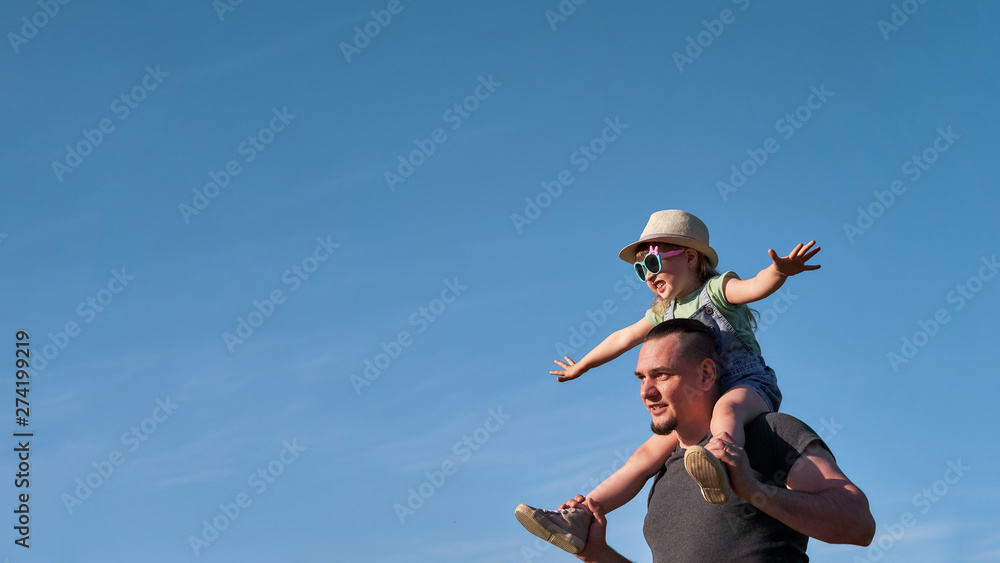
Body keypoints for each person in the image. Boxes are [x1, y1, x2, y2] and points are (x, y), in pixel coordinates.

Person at [515, 210, 821, 553]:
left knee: (728, 411)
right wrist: (582, 365)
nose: (648, 275)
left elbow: (753, 287)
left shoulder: (716, 291)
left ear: (690, 258)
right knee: (645, 454)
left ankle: (720, 463)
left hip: (745, 383)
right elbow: (623, 337)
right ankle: (583, 515)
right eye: (641, 269)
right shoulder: (664, 311)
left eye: (654, 263)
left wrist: (779, 271)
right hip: (696, 398)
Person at [568, 319, 875, 562]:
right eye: (641, 377)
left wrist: (755, 492)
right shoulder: (662, 475)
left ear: (706, 374)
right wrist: (597, 555)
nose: (646, 391)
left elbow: (859, 524)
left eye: (661, 375)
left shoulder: (771, 432)